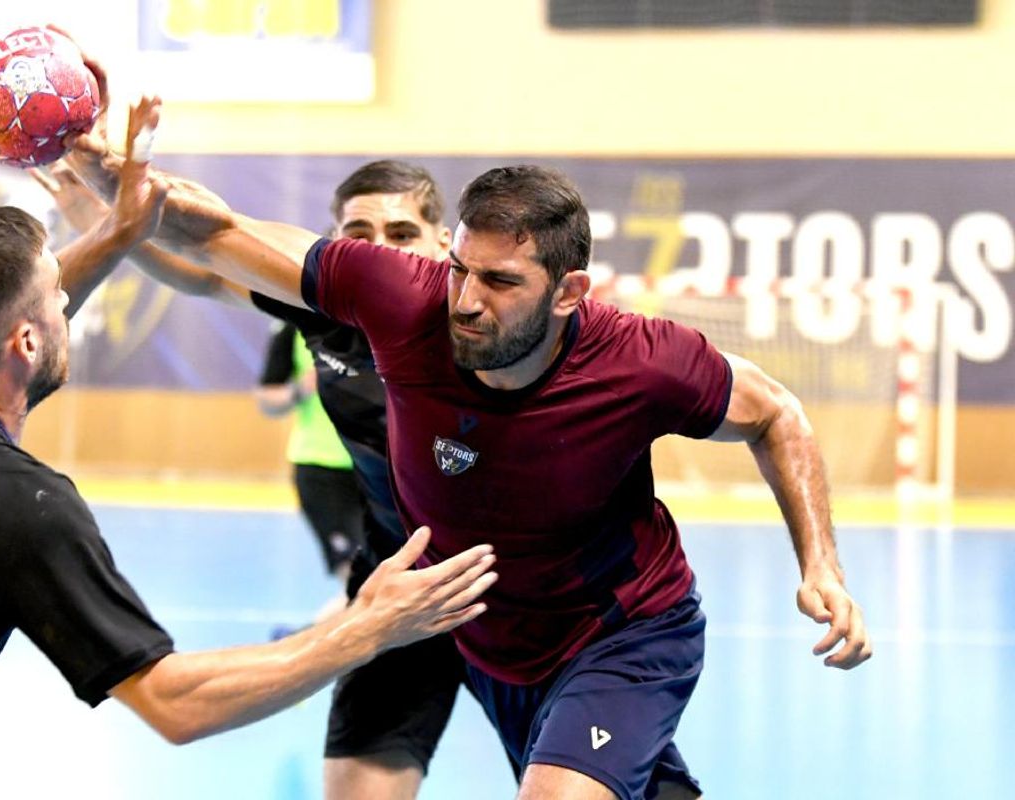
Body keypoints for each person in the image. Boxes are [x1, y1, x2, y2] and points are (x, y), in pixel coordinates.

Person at [67, 96, 875, 800]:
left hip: (618, 630)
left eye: (500, 282)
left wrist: (821, 566)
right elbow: (219, 237)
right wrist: (113, 173)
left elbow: (776, 413)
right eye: (459, 269)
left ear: (569, 294)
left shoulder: (642, 360)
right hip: (468, 617)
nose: (466, 301)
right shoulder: (399, 299)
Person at [0, 100, 498, 800]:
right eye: (58, 295)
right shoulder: (15, 501)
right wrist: (366, 627)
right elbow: (175, 702)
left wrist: (116, 235)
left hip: (525, 591)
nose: (69, 299)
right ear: (27, 338)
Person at [36, 156, 494, 800]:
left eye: (400, 234)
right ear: (331, 246)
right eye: (358, 235)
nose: (379, 251)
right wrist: (116, 224)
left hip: (511, 590)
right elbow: (201, 269)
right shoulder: (322, 311)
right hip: (395, 588)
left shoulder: (486, 329)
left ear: (442, 245)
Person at [256, 320, 365, 592]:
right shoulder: (292, 325)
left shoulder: (377, 318)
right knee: (357, 576)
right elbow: (267, 398)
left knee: (381, 572)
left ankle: (306, 632)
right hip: (320, 468)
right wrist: (300, 389)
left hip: (378, 468)